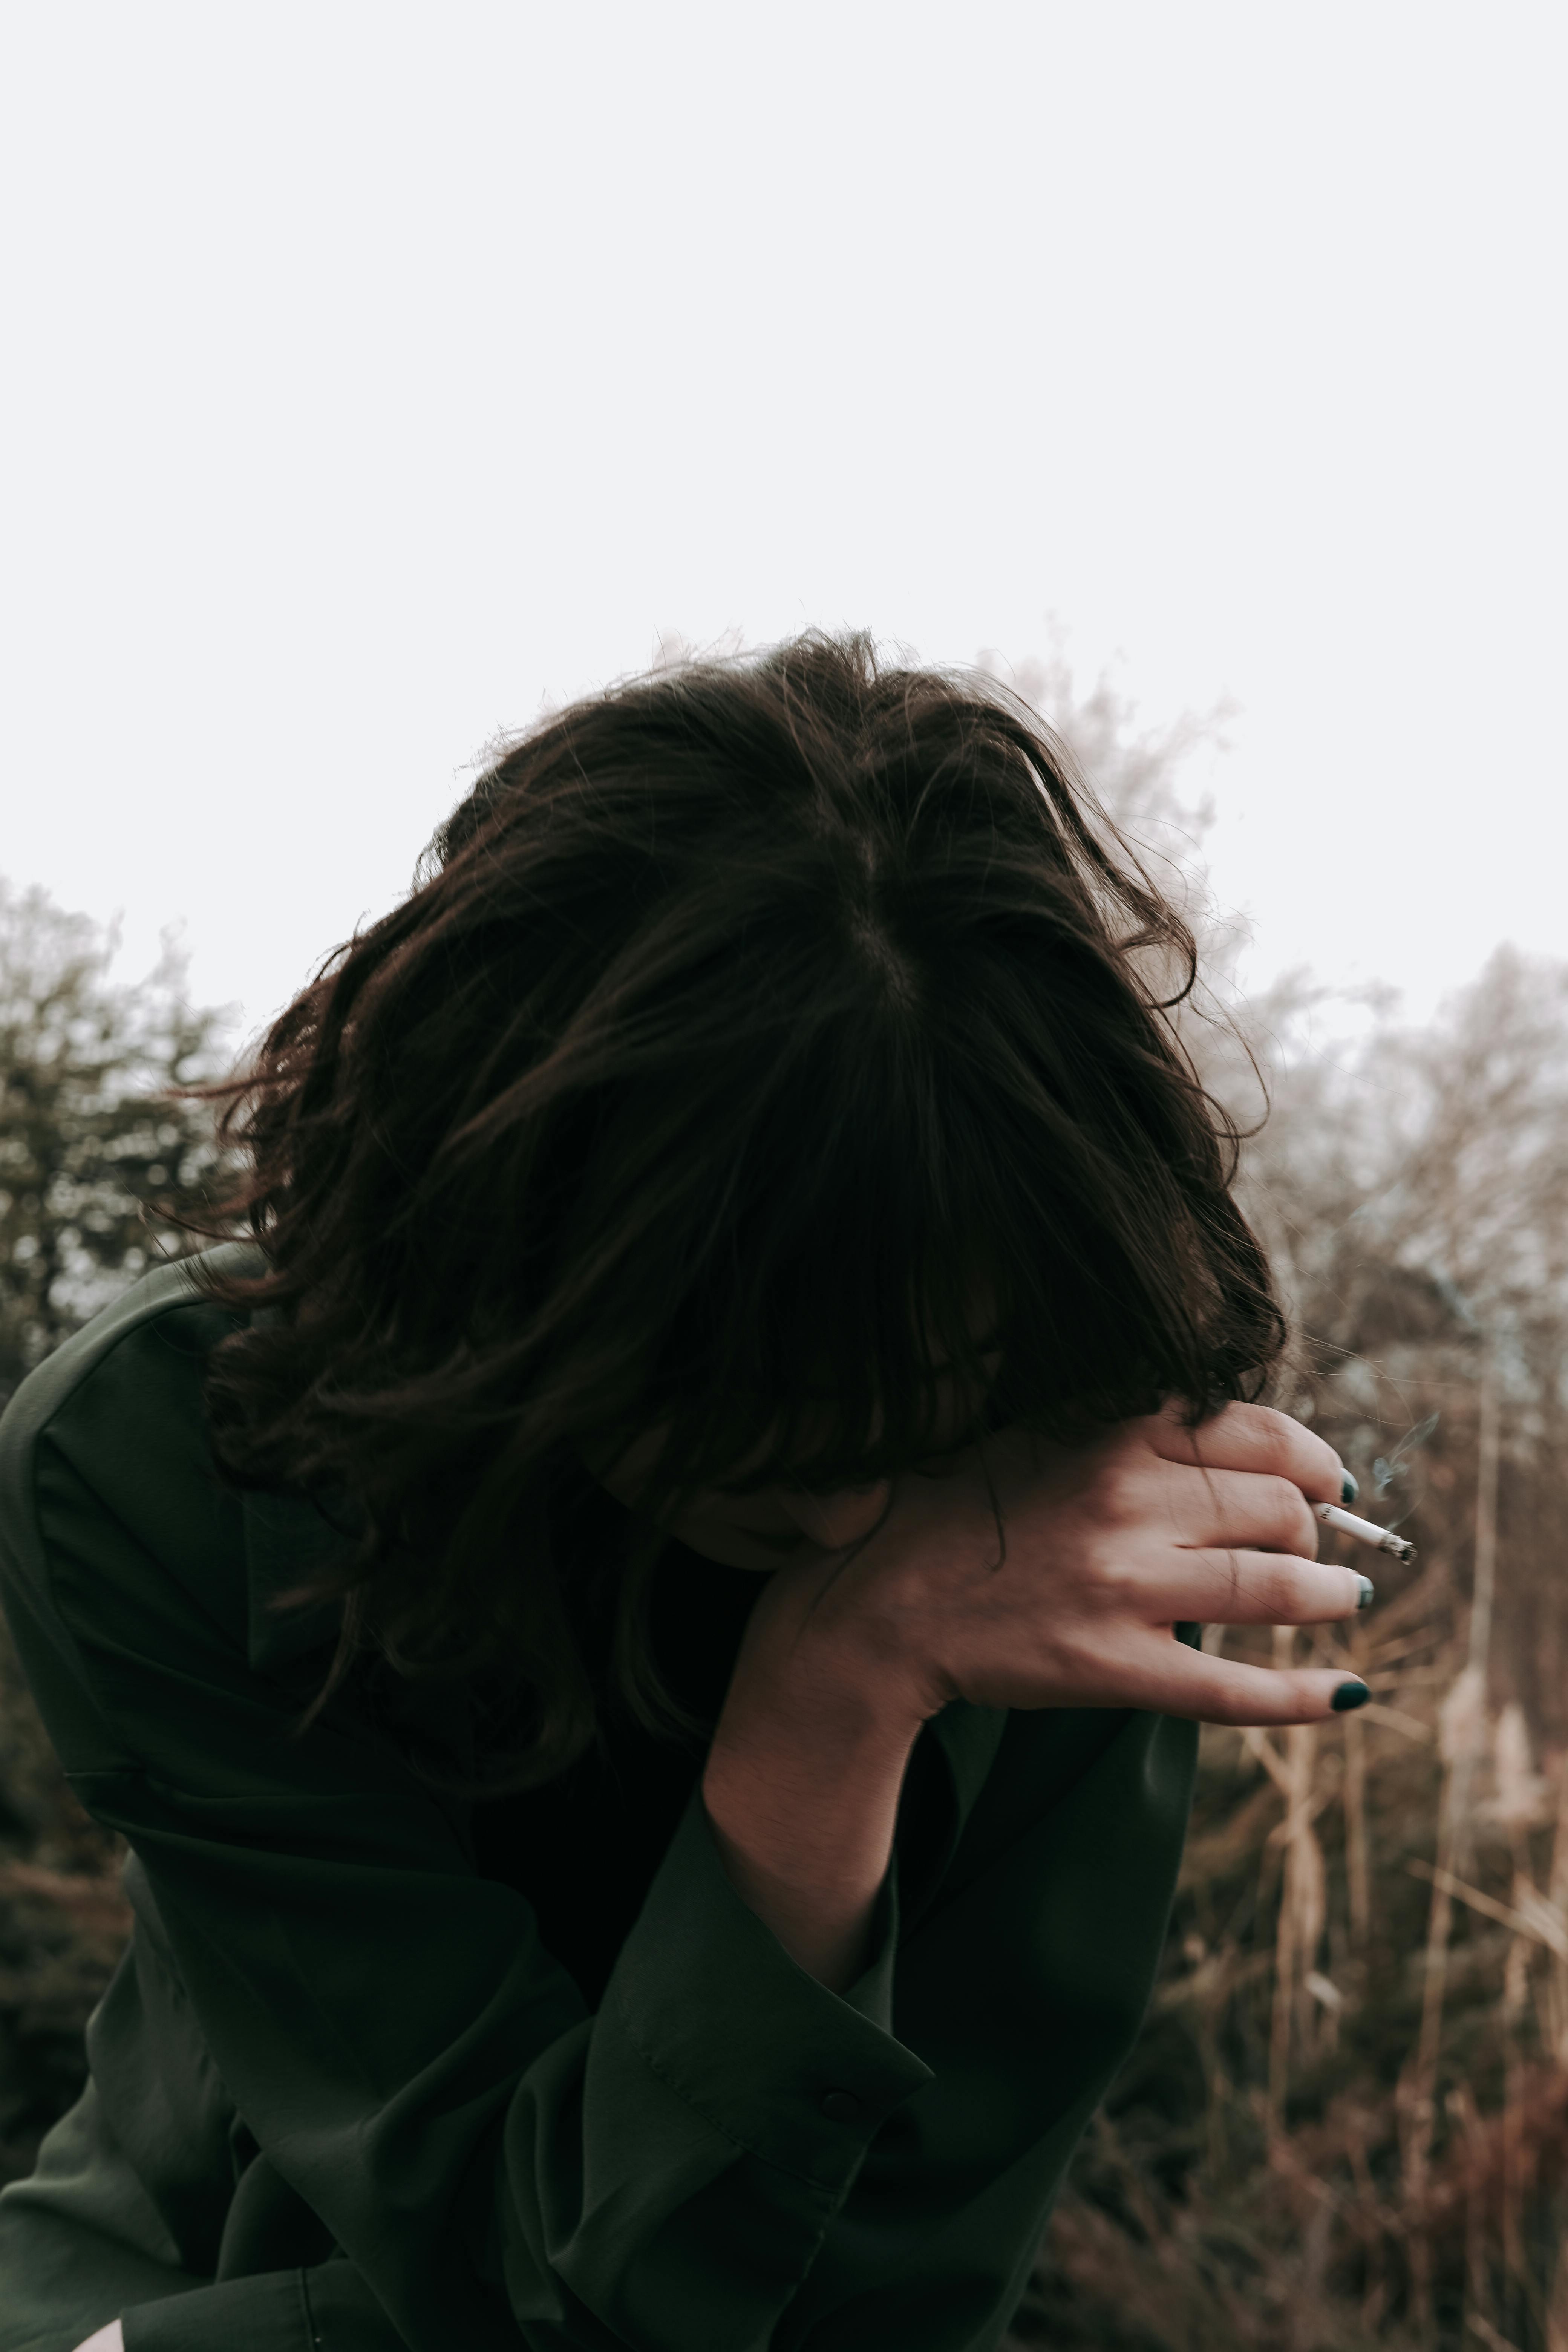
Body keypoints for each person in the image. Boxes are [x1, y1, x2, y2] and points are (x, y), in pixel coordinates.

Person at [0, 631, 1372, 2352]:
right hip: (179, 2295)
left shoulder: (1069, 1512)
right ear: (503, 1253)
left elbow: (894, 2297)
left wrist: (862, 1680)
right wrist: (825, 1702)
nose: (847, 1515)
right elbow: (482, 2247)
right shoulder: (161, 1455)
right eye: (750, 1400)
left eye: (932, 1406)